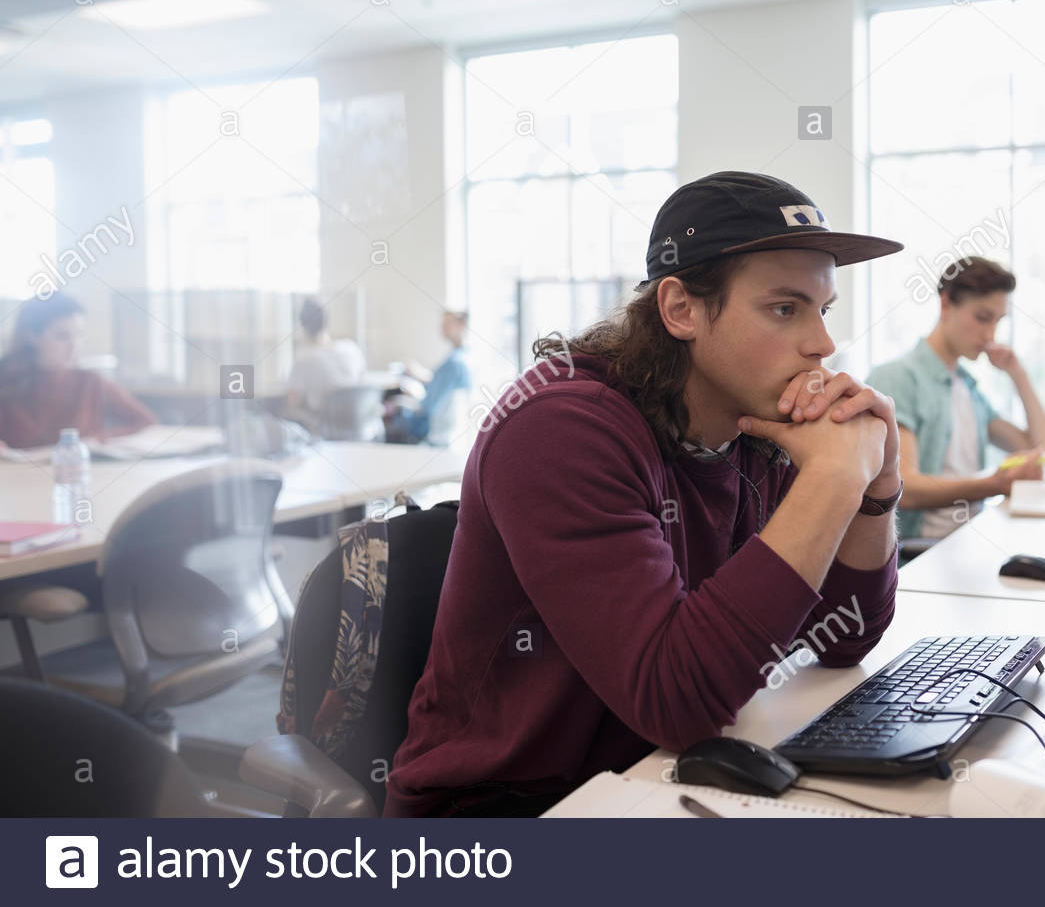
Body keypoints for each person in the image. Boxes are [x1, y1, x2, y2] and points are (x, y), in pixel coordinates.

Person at [385, 171, 905, 817]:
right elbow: (675, 701)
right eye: (784, 308)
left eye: (822, 311)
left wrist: (877, 489)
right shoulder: (559, 430)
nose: (822, 344)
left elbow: (842, 639)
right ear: (681, 309)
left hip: (653, 782)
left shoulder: (756, 423)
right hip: (509, 809)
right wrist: (834, 479)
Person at [867, 256, 1045, 542]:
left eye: (998, 321)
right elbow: (904, 487)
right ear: (946, 304)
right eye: (983, 318)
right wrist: (994, 484)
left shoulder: (968, 388)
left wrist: (1018, 375)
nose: (990, 334)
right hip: (923, 550)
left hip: (970, 538)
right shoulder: (898, 378)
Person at [0, 292, 155, 450]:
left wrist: (99, 438)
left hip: (78, 471)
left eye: (79, 335)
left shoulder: (89, 380)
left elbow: (145, 420)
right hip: (19, 473)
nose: (74, 346)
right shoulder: (5, 380)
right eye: (62, 336)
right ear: (32, 336)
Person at [386, 310, 473, 445]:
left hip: (430, 431)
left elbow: (428, 407)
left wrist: (407, 400)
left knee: (390, 415)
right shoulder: (463, 358)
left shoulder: (454, 363)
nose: (442, 328)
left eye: (446, 324)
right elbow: (439, 387)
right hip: (444, 429)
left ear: (461, 325)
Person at [284, 297, 367, 431]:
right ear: (326, 322)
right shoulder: (351, 347)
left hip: (326, 433)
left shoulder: (303, 361)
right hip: (360, 430)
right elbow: (361, 382)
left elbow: (292, 403)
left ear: (303, 327)